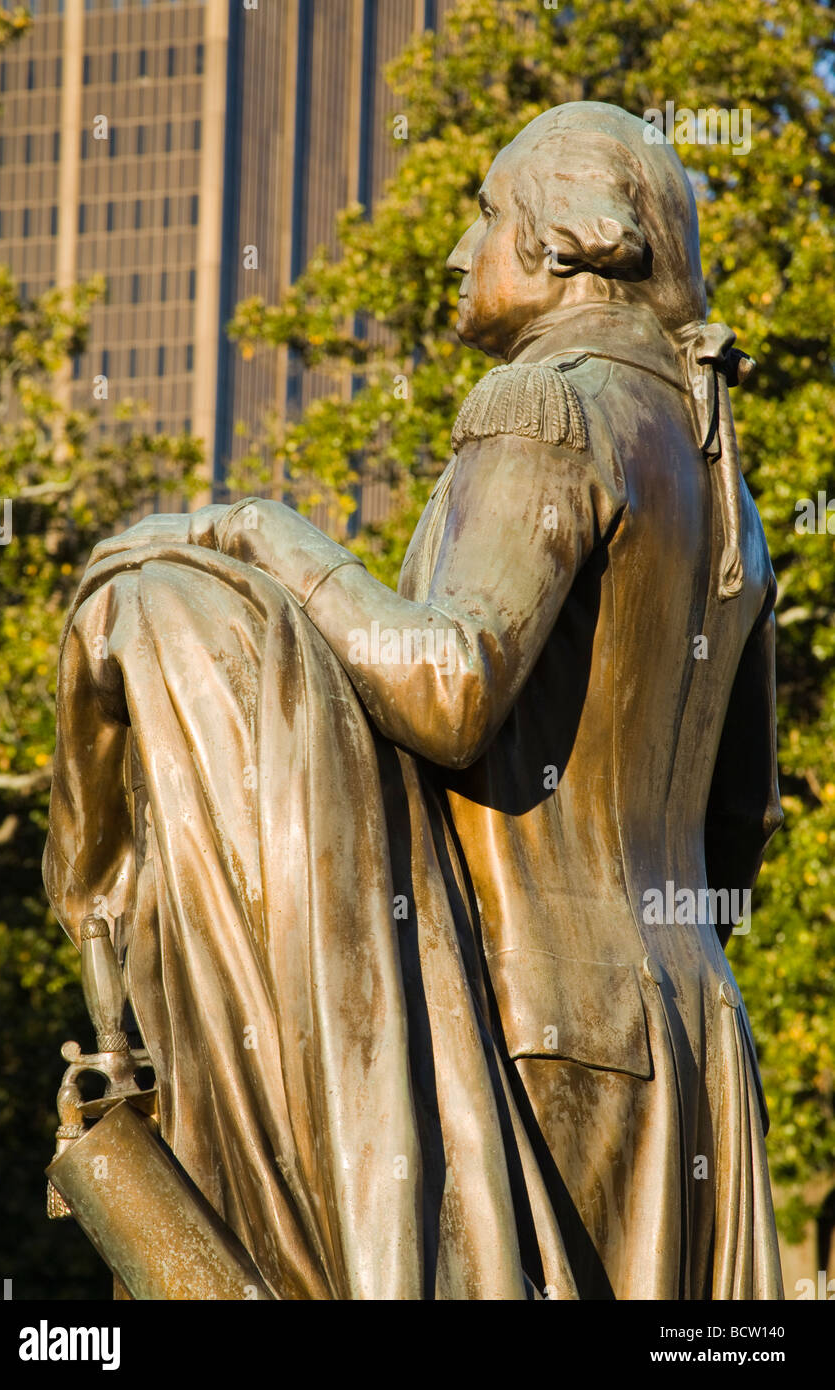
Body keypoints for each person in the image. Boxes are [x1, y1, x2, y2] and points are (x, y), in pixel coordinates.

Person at [44, 101, 783, 1299]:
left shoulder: (541, 408)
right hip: (696, 1047)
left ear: (564, 243)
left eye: (485, 215)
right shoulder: (724, 487)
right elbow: (737, 833)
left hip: (528, 1026)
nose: (458, 252)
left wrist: (268, 536)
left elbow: (447, 687)